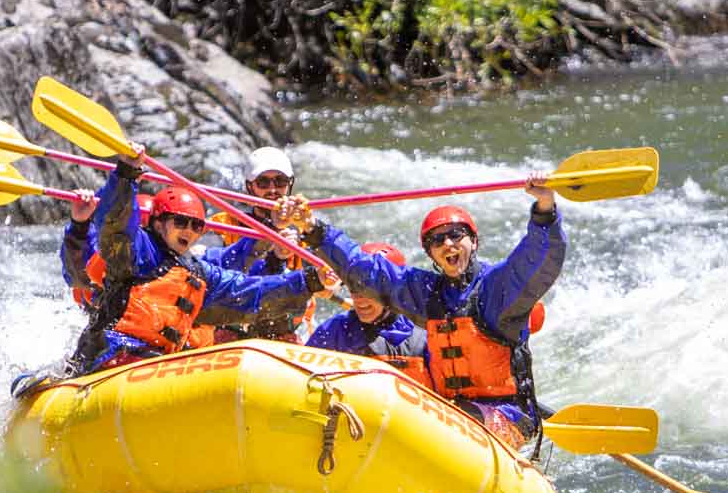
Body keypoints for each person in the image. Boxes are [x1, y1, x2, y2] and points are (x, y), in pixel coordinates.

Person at [290, 182, 562, 448]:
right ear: (430, 253)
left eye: (456, 235)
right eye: (437, 240)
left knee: (452, 421)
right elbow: (366, 270)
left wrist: (545, 209)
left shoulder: (498, 288)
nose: (447, 244)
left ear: (474, 241)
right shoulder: (429, 294)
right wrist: (314, 229)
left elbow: (537, 260)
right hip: (448, 411)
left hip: (507, 414)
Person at [52, 151, 322, 379]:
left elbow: (249, 289)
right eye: (180, 222)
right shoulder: (136, 254)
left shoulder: (197, 270)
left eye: (196, 225)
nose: (189, 231)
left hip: (159, 364)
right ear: (157, 223)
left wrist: (312, 280)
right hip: (113, 357)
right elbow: (116, 225)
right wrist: (126, 172)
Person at [210, 146, 320, 341]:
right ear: (249, 187)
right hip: (230, 329)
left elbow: (327, 281)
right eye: (263, 182)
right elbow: (210, 275)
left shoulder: (305, 230)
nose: (272, 190)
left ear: (290, 185)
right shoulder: (223, 224)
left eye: (280, 181)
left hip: (285, 333)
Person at [305, 243, 429, 381]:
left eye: (368, 289)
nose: (358, 297)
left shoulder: (424, 332)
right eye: (352, 286)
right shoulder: (335, 331)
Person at [62, 192, 151, 309]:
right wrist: (79, 225)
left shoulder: (163, 258)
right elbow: (76, 270)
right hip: (98, 314)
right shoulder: (103, 248)